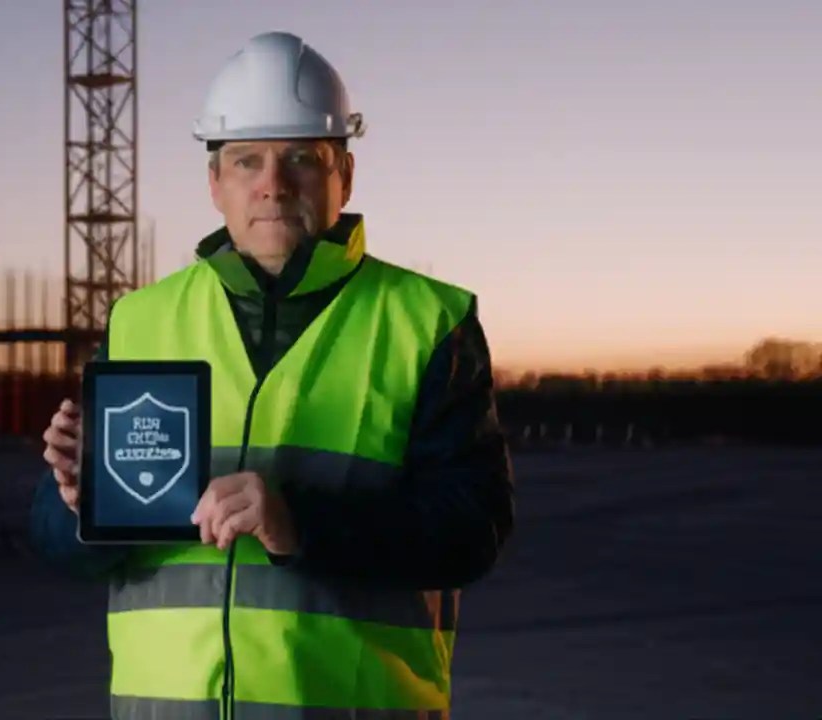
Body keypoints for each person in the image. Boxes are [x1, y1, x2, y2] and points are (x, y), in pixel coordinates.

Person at [30, 30, 515, 720]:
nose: (273, 184)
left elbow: (473, 530)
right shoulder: (142, 321)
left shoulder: (426, 322)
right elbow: (56, 543)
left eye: (301, 159)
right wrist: (79, 506)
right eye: (246, 160)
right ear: (214, 183)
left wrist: (301, 523)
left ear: (345, 174)